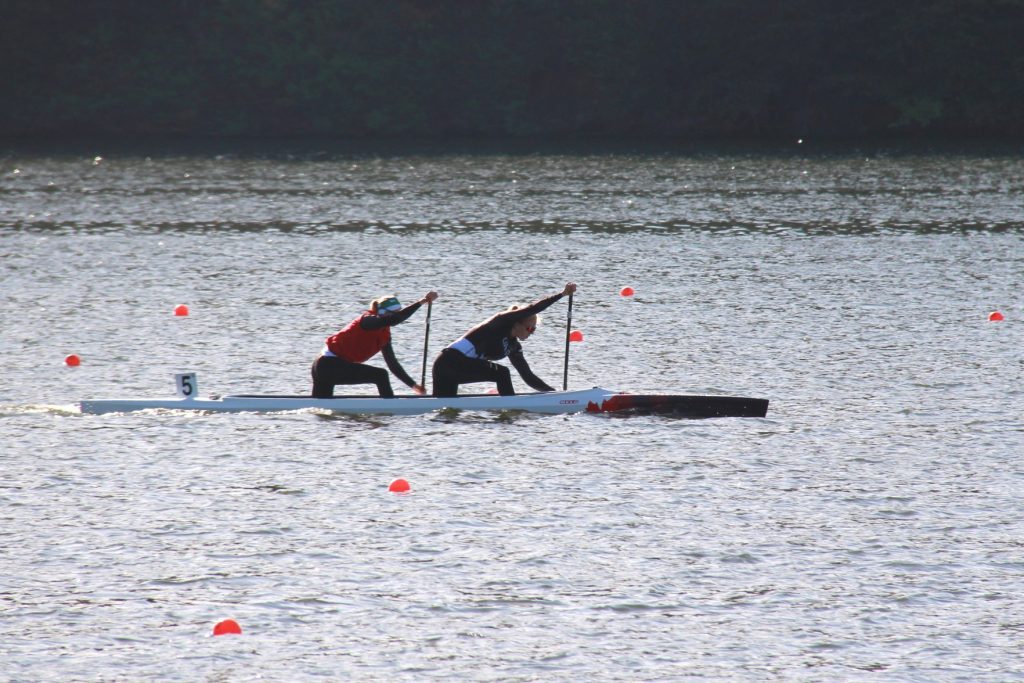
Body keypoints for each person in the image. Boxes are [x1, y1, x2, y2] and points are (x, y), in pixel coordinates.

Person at [432, 283, 576, 397]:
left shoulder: (513, 346)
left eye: (534, 330)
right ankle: (510, 410)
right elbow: (533, 308)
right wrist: (562, 294)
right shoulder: (500, 322)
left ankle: (508, 405)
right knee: (502, 373)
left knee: (446, 409)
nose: (531, 333)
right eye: (530, 328)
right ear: (517, 323)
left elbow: (528, 377)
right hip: (448, 361)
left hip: (453, 367)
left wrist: (554, 394)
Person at [312, 291, 438, 398]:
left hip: (325, 365)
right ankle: (390, 408)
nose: (397, 316)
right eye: (394, 313)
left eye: (398, 312)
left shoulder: (384, 335)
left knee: (320, 405)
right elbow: (396, 319)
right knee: (380, 375)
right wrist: (421, 302)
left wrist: (413, 385)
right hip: (329, 365)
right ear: (382, 312)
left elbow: (393, 364)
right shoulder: (368, 321)